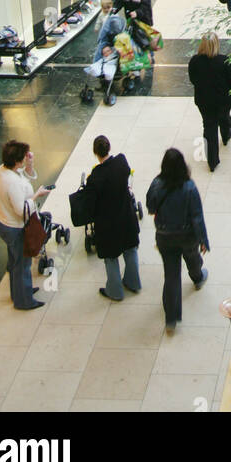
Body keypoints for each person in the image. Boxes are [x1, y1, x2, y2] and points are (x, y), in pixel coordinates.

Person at [146, 149, 209, 333]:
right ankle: (197, 277)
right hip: (187, 235)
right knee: (193, 257)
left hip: (165, 237)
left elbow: (150, 207)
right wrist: (203, 239)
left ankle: (171, 319)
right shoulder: (189, 187)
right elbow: (197, 216)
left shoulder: (157, 184)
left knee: (171, 275)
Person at [0, 141, 52, 310]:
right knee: (23, 264)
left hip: (2, 220)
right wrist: (36, 196)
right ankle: (24, 301)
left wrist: (30, 164)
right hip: (14, 227)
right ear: (17, 161)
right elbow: (22, 210)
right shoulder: (12, 183)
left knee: (14, 261)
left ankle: (18, 291)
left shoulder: (2, 170)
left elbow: (23, 177)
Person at [84, 134, 141, 299]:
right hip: (126, 217)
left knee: (110, 257)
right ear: (109, 147)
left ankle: (115, 291)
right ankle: (133, 282)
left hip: (108, 225)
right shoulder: (122, 162)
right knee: (131, 250)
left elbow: (91, 203)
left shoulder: (95, 177)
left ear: (96, 153)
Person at [188, 34, 231, 172]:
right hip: (223, 101)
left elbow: (192, 79)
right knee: (223, 117)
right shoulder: (224, 61)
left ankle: (212, 161)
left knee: (209, 127)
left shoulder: (194, 61)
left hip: (204, 101)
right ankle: (226, 135)